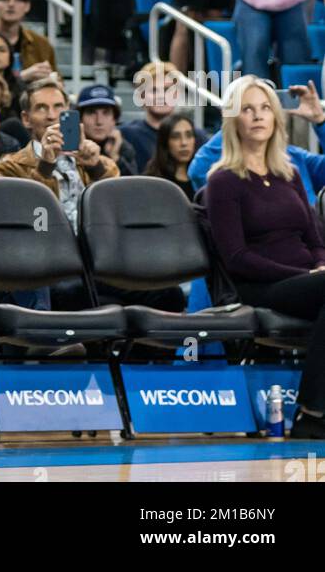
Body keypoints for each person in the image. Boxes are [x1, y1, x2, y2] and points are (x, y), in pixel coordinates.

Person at [206, 76, 325, 438]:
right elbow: (237, 257)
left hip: (308, 280)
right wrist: (304, 272)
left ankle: (313, 415)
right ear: (233, 120)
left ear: (276, 118)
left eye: (264, 109)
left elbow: (313, 235)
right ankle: (311, 411)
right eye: (247, 109)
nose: (258, 117)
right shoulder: (223, 181)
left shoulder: (288, 174)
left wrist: (319, 263)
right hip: (261, 284)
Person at [0, 78, 119, 228]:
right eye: (41, 108)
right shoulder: (8, 167)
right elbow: (26, 221)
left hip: (94, 246)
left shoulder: (101, 162)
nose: (52, 116)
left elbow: (118, 209)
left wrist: (96, 168)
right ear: (26, 119)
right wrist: (45, 166)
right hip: (43, 247)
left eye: (58, 107)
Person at [124, 60, 208, 173]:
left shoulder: (197, 136)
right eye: (154, 90)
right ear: (141, 96)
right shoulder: (127, 135)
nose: (161, 96)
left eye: (167, 89)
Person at [76, 82, 139, 176]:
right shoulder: (70, 147)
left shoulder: (123, 148)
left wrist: (115, 157)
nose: (99, 121)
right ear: (80, 118)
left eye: (106, 113)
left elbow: (134, 187)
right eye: (91, 113)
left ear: (115, 119)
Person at [144, 112, 199, 200]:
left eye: (189, 135)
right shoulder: (152, 181)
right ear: (165, 142)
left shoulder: (203, 178)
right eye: (176, 136)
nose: (184, 143)